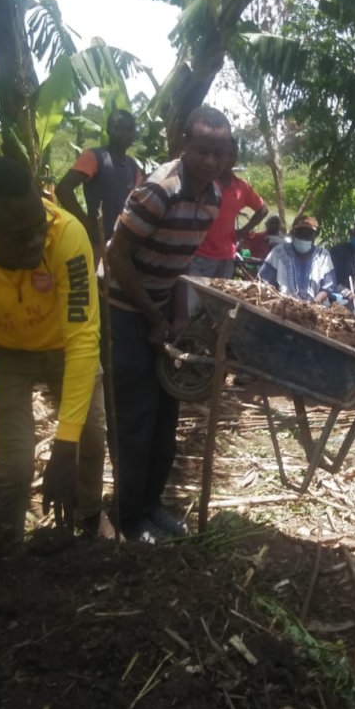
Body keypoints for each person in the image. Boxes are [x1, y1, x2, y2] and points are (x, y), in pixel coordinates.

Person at [0, 157, 107, 548]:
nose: (36, 242)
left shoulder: (66, 235)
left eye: (38, 227)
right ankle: (5, 542)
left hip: (64, 345)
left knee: (90, 441)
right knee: (10, 464)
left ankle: (88, 526)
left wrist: (65, 447)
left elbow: (82, 341)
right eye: (19, 235)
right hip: (4, 352)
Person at [105, 105, 232, 544]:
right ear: (184, 144)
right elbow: (115, 256)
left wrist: (178, 317)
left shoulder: (212, 197)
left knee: (165, 413)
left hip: (158, 310)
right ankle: (127, 516)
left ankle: (151, 503)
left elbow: (182, 265)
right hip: (122, 310)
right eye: (202, 151)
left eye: (218, 153)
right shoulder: (161, 190)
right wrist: (153, 318)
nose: (211, 162)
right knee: (135, 417)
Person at [55, 109, 142, 249]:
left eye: (129, 130)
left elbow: (138, 201)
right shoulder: (95, 157)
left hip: (121, 243)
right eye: (119, 129)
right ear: (108, 130)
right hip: (97, 243)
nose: (124, 134)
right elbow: (63, 189)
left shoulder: (133, 166)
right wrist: (86, 224)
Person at [189, 138, 268, 278]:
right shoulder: (205, 183)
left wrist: (243, 231)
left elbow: (263, 210)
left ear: (236, 157)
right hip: (200, 254)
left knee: (220, 298)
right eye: (223, 154)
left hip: (227, 257)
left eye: (232, 154)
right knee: (197, 297)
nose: (227, 159)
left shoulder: (241, 187)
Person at [259, 214, 335, 304]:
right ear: (294, 233)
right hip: (283, 307)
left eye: (308, 234)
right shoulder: (278, 252)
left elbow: (327, 287)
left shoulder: (323, 256)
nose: (304, 237)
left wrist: (313, 304)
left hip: (315, 309)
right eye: (301, 233)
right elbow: (264, 281)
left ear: (314, 236)